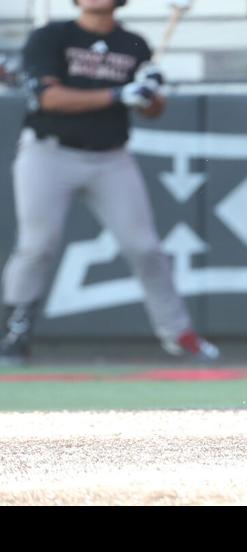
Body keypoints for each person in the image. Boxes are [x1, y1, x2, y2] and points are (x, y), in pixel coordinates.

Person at [1, 0, 219, 365]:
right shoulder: (52, 36)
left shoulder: (134, 44)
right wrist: (118, 94)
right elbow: (46, 98)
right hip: (48, 153)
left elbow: (152, 110)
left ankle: (178, 333)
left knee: (145, 247)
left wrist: (150, 92)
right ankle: (13, 335)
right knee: (36, 246)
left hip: (111, 157)